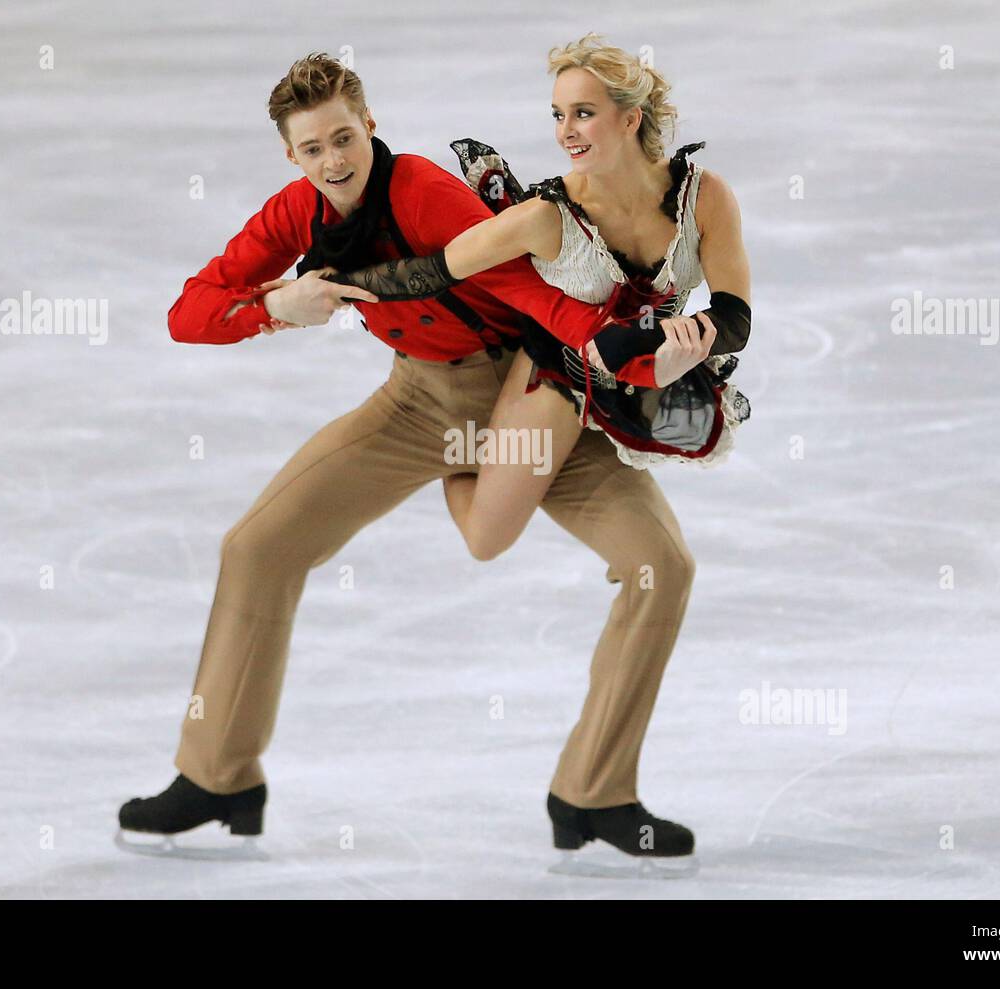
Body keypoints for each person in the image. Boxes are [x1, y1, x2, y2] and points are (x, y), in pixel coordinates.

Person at [117, 49, 706, 873]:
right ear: (292, 155)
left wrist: (645, 362)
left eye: (345, 137)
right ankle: (218, 776)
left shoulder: (425, 193)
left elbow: (540, 295)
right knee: (257, 545)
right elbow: (189, 312)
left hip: (528, 398)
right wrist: (272, 309)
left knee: (661, 564)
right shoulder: (297, 213)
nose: (334, 159)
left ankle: (594, 789)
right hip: (418, 405)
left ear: (371, 128)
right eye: (313, 147)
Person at [329, 34, 752, 565]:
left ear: (630, 119)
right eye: (558, 114)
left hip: (643, 360)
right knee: (487, 541)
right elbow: (433, 272)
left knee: (690, 433)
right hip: (556, 370)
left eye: (582, 113)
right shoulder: (543, 217)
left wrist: (674, 343)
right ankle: (460, 461)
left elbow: (734, 316)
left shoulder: (705, 196)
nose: (565, 132)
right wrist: (338, 284)